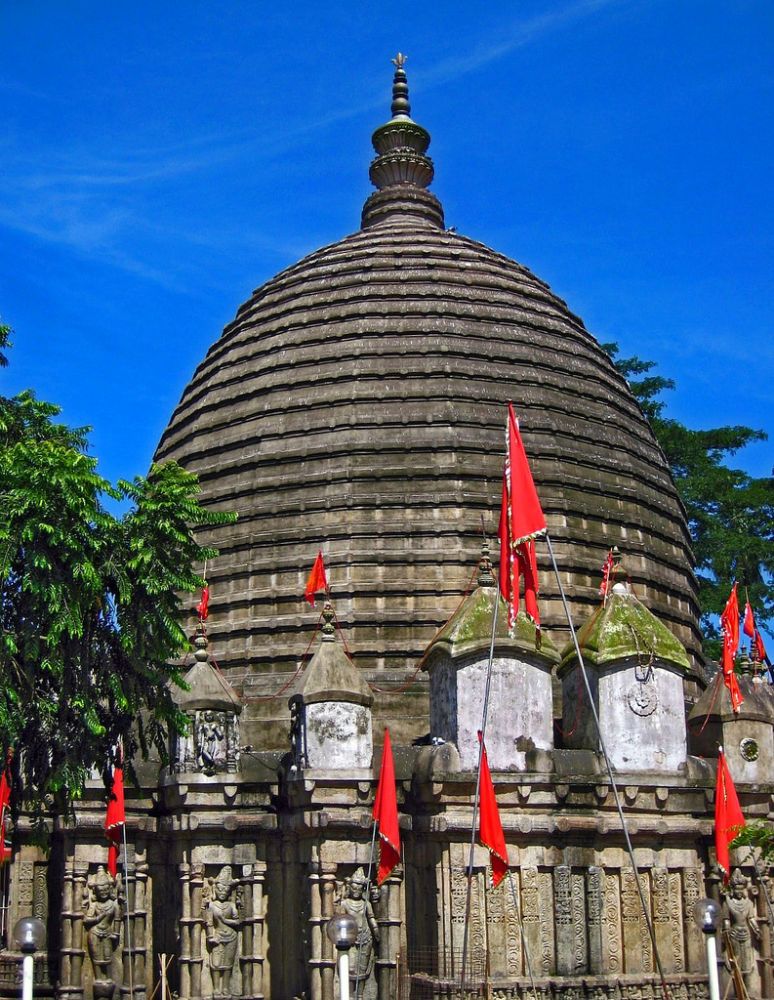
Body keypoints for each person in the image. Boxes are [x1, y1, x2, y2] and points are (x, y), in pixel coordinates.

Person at [340, 868, 380, 1000]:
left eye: (359, 888)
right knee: (350, 968)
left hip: (366, 938)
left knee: (362, 970)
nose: (356, 891)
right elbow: (340, 921)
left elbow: (371, 918)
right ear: (349, 887)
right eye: (354, 887)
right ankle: (349, 995)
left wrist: (376, 930)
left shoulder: (366, 904)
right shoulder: (345, 904)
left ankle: (360, 996)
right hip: (351, 940)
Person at [205, 865, 240, 997]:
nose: (223, 892)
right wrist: (210, 937)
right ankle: (215, 988)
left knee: (228, 964)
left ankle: (225, 988)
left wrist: (225, 921)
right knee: (216, 964)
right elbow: (209, 923)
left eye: (226, 889)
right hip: (218, 935)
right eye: (220, 888)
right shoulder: (212, 906)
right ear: (215, 889)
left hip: (231, 936)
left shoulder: (231, 905)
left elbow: (237, 922)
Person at [84, 867, 121, 983]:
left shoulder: (113, 904)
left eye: (106, 890)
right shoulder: (94, 905)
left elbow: (117, 919)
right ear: (96, 891)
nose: (104, 893)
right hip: (94, 932)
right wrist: (98, 918)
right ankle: (99, 978)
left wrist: (116, 932)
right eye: (101, 891)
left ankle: (109, 978)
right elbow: (86, 920)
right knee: (96, 957)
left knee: (107, 956)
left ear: (110, 889)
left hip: (108, 932)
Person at [723, 868, 760, 981]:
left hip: (746, 933)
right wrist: (727, 930)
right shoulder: (728, 903)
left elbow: (751, 918)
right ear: (733, 890)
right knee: (736, 962)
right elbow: (726, 919)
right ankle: (738, 991)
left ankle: (747, 992)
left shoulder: (748, 903)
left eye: (741, 889)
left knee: (747, 963)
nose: (739, 892)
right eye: (737, 889)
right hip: (734, 933)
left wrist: (757, 930)